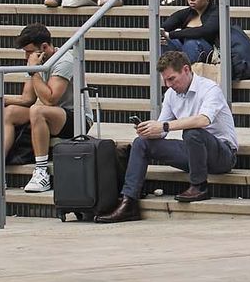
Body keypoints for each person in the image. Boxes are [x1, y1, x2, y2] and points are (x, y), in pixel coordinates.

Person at [96, 48, 240, 220]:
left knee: (192, 132)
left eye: (172, 79)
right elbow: (162, 130)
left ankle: (199, 186)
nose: (168, 84)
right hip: (193, 153)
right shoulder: (171, 94)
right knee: (141, 143)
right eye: (165, 80)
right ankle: (129, 202)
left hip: (223, 155)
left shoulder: (210, 89)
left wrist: (164, 126)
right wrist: (149, 130)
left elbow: (203, 120)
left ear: (186, 70)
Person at [0, 23, 74, 197]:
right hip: (47, 114)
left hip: (73, 118)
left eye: (29, 51)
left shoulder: (64, 60)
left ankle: (41, 171)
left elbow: (50, 99)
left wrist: (34, 71)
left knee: (38, 110)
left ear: (44, 47)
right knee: (10, 112)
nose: (27, 56)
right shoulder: (35, 62)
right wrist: (2, 99)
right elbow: (27, 98)